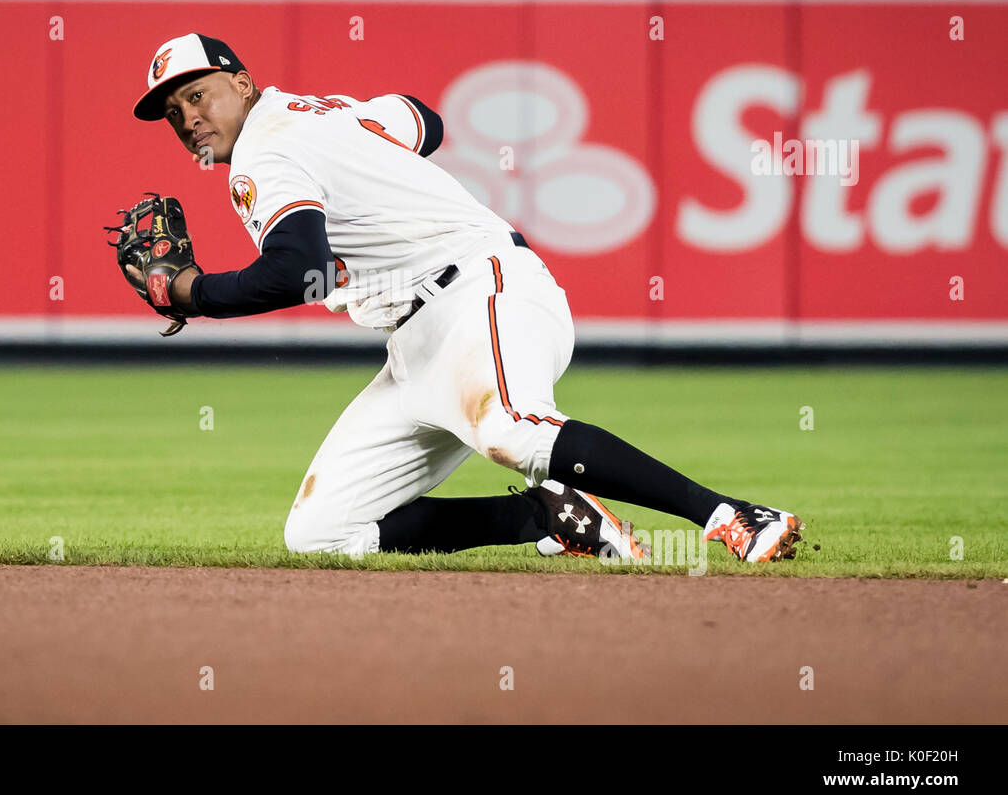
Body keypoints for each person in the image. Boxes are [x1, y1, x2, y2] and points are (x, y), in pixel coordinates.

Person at [124, 32, 806, 564]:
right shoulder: (327, 114)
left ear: (242, 82)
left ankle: (733, 515)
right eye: (173, 111)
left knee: (510, 428)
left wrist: (188, 291)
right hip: (418, 343)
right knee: (322, 533)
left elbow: (296, 271)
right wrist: (364, 151)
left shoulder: (264, 153)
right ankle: (545, 517)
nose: (186, 117)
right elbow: (425, 121)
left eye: (198, 94)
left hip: (482, 292)